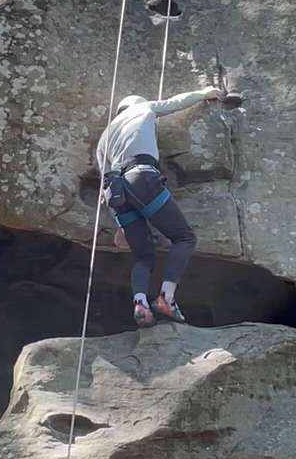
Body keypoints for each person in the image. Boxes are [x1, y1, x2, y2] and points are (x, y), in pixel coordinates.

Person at [96, 87, 226, 328]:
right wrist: (204, 93)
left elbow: (105, 181)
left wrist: (120, 226)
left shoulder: (104, 138)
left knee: (143, 255)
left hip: (117, 193)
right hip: (141, 177)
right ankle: (166, 298)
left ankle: (140, 303)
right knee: (184, 237)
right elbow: (174, 102)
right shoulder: (142, 108)